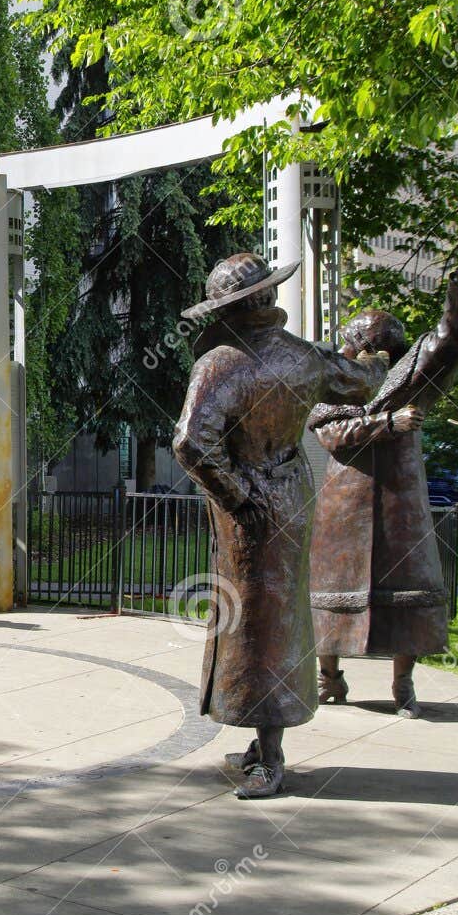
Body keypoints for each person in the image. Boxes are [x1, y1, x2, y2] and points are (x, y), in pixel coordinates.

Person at [173, 254, 387, 798]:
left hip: (249, 503)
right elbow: (363, 382)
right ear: (266, 301)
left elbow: (191, 443)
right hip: (290, 494)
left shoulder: (220, 363)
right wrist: (379, 360)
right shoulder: (305, 357)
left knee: (258, 622)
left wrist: (240, 495)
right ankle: (259, 741)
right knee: (276, 614)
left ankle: (269, 755)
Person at [310, 250, 458, 717]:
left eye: (383, 348)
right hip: (344, 498)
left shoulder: (411, 377)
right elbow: (330, 434)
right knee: (330, 588)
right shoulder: (333, 385)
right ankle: (328, 679)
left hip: (399, 497)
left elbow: (448, 337)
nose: (374, 355)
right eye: (366, 347)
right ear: (350, 349)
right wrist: (386, 423)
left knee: (407, 588)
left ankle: (403, 685)